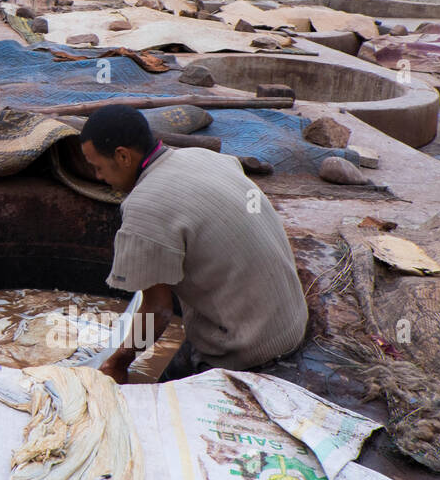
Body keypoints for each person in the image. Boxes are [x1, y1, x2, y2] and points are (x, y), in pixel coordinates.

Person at [77, 104, 307, 384]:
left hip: (249, 349)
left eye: (98, 167)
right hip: (292, 324)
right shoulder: (204, 157)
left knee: (155, 406)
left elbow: (158, 311)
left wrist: (118, 362)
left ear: (123, 156)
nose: (99, 177)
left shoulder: (144, 204)